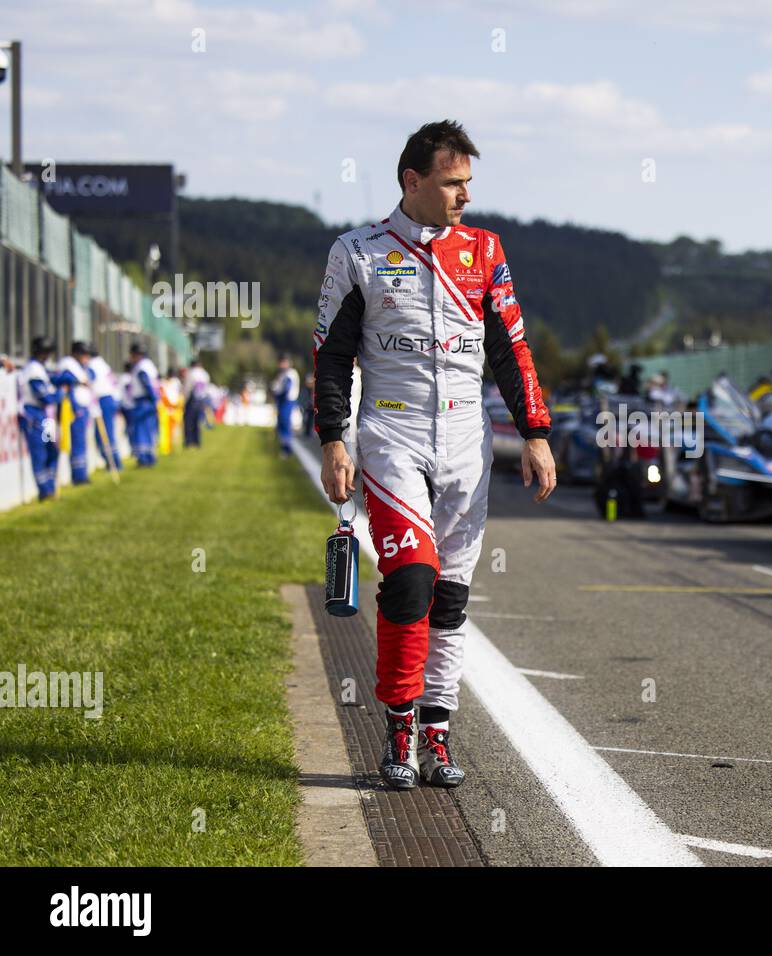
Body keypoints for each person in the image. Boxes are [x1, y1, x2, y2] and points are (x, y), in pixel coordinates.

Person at [314, 119, 555, 791]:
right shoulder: (356, 252)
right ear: (412, 181)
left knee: (449, 596)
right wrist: (334, 438)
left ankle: (438, 732)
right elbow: (331, 355)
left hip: (466, 445)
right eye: (453, 184)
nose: (465, 197)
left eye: (469, 184)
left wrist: (535, 433)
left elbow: (510, 345)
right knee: (412, 580)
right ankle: (399, 728)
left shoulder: (485, 250)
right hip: (390, 438)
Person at [19, 337, 60, 500]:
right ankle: (44, 490)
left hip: (44, 416)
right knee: (39, 453)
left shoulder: (40, 368)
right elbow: (45, 397)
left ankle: (50, 485)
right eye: (45, 352)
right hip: (34, 415)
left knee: (52, 450)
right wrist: (60, 394)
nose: (47, 356)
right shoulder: (33, 370)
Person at [50, 342, 96, 484]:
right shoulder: (67, 364)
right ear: (76, 353)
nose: (86, 358)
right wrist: (75, 409)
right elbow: (65, 383)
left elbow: (91, 375)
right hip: (72, 409)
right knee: (75, 443)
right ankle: (79, 476)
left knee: (81, 442)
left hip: (83, 408)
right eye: (84, 354)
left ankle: (81, 473)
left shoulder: (82, 366)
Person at [86, 348, 122, 471]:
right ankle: (113, 461)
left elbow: (89, 379)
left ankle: (114, 462)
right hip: (110, 398)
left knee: (104, 434)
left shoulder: (92, 365)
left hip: (103, 399)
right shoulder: (103, 364)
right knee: (106, 433)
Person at [126, 343, 160, 466]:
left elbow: (147, 385)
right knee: (149, 430)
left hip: (144, 401)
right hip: (149, 401)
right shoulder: (149, 365)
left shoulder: (141, 367)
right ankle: (150, 456)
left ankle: (144, 458)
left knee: (141, 430)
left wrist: (153, 399)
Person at [270, 354, 300, 458]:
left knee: (285, 423)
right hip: (283, 402)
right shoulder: (283, 374)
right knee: (281, 424)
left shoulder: (290, 374)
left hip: (287, 401)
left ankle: (287, 449)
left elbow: (286, 389)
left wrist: (277, 393)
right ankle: (285, 447)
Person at [183, 358, 211, 448]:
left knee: (188, 421)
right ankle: (197, 441)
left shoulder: (191, 373)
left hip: (192, 398)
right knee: (197, 421)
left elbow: (187, 387)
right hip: (201, 398)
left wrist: (185, 398)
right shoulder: (205, 373)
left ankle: (189, 441)